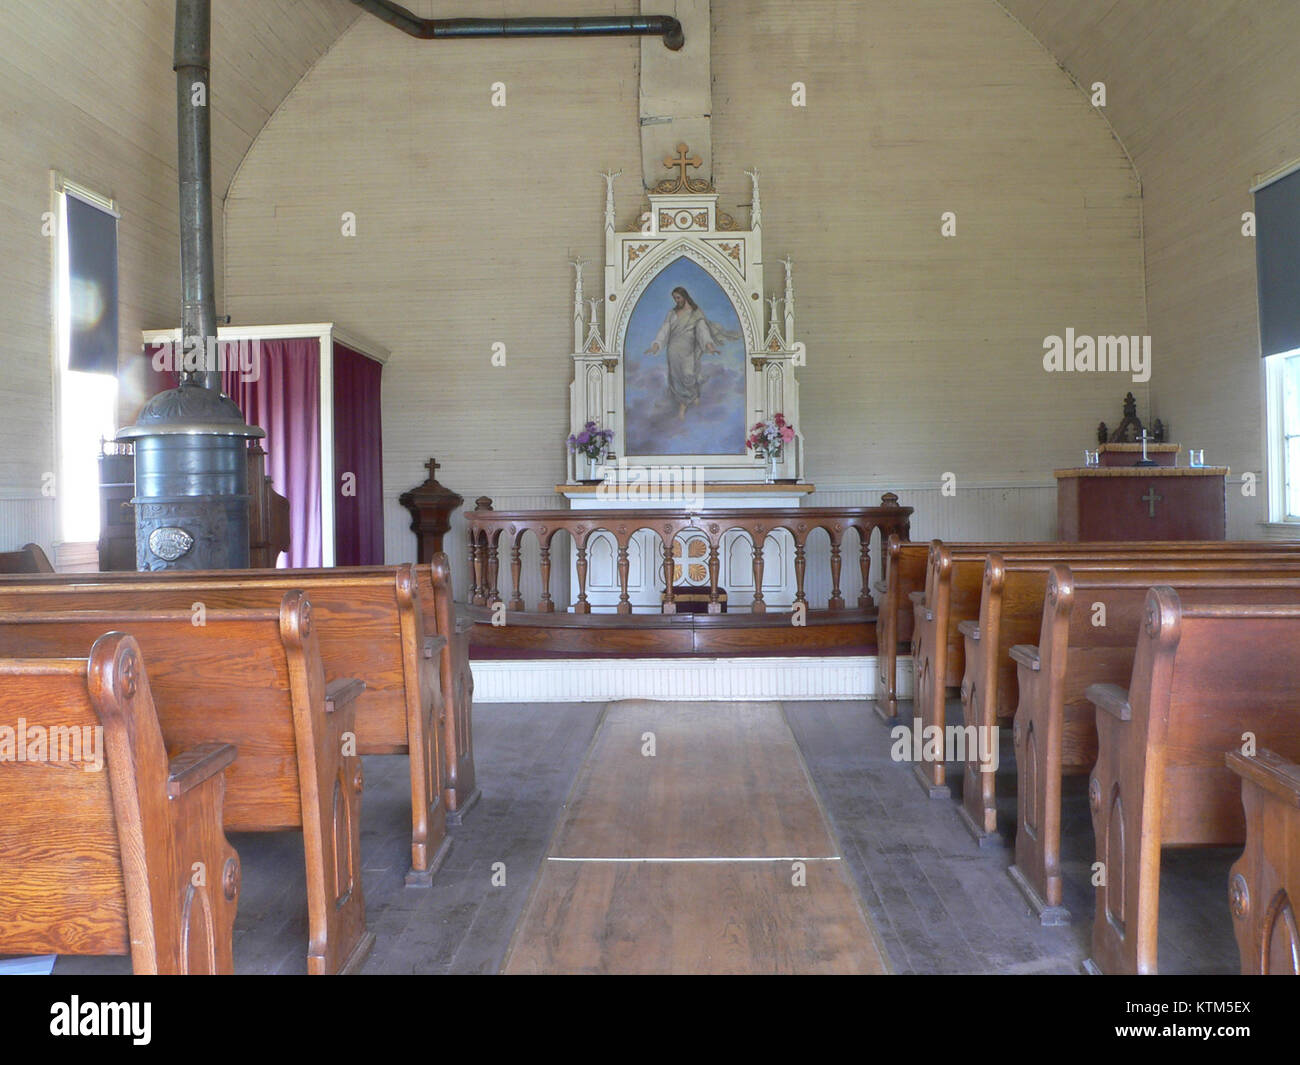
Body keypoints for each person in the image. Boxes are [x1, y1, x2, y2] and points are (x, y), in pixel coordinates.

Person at [644, 287, 740, 419]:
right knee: (676, 378)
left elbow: (703, 331)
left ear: (684, 296)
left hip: (688, 349)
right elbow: (664, 330)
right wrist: (656, 345)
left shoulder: (696, 313)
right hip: (673, 349)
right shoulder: (672, 313)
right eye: (674, 298)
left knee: (688, 375)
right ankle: (683, 405)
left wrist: (709, 346)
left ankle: (692, 397)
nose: (676, 300)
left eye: (678, 297)